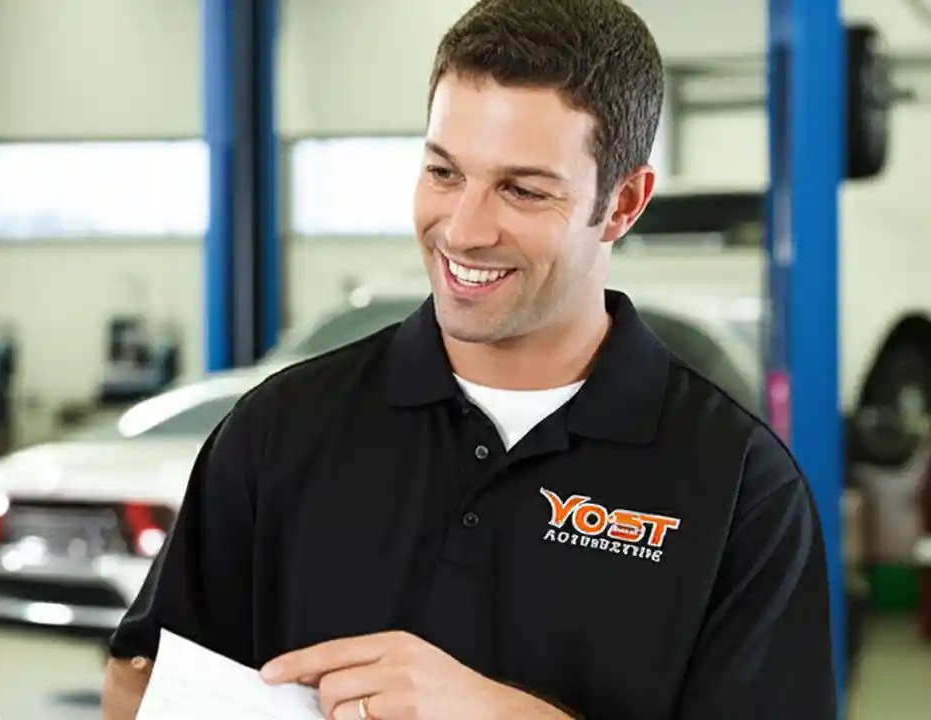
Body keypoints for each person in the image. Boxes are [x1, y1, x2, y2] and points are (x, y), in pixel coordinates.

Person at [103, 0, 837, 718]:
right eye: (444, 172)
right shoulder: (280, 429)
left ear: (622, 204)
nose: (462, 229)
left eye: (521, 190)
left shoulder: (740, 490)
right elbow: (141, 682)